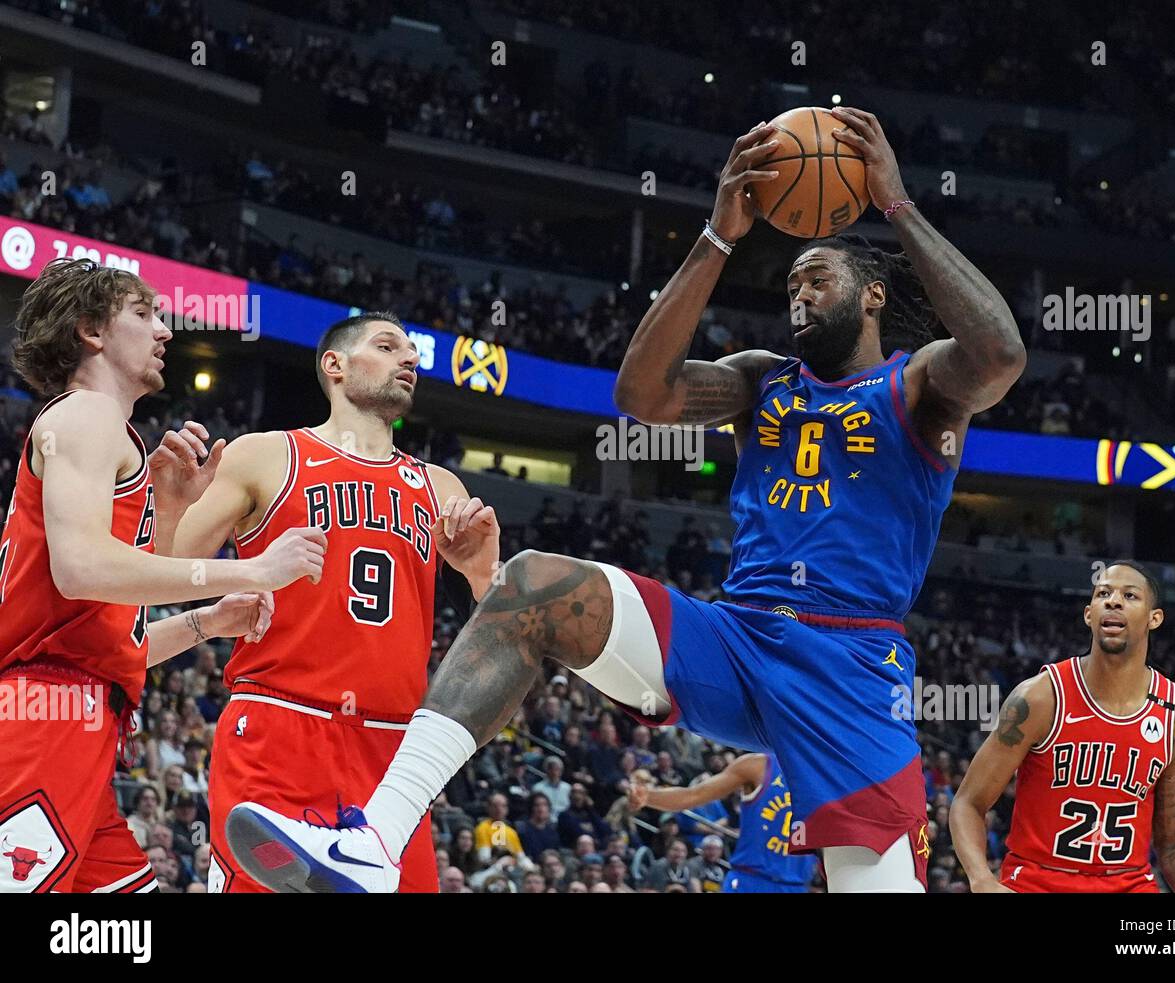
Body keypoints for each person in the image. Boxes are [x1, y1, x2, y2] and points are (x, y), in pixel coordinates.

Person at [226, 108, 1025, 893]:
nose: (799, 297)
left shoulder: (917, 384)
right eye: (789, 284)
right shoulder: (760, 378)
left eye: (817, 279)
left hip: (850, 666)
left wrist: (896, 202)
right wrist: (717, 238)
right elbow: (642, 393)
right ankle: (374, 840)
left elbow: (1000, 353)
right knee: (533, 586)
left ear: (873, 294)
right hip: (739, 640)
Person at [0, 258, 319, 894]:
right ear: (91, 330)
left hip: (75, 716)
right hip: (46, 719)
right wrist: (251, 566)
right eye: (144, 314)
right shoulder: (85, 415)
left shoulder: (103, 436)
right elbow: (81, 571)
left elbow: (104, 632)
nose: (165, 330)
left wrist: (182, 558)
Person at [162, 312, 501, 893]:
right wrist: (170, 506)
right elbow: (156, 570)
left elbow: (500, 643)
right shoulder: (266, 455)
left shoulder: (442, 487)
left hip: (395, 753)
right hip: (281, 723)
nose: (409, 360)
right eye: (388, 346)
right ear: (335, 365)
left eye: (412, 354)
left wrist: (479, 575)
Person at [949, 562, 1175, 893]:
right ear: (1089, 614)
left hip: (1129, 884)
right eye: (1104, 594)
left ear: (1154, 619)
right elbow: (968, 803)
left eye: (1130, 595)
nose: (1113, 601)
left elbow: (1173, 843)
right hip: (1036, 880)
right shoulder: (1040, 697)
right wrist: (982, 879)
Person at [630, 752, 816, 893]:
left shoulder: (828, 777)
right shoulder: (759, 766)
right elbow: (694, 795)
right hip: (750, 880)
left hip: (798, 885)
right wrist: (648, 796)